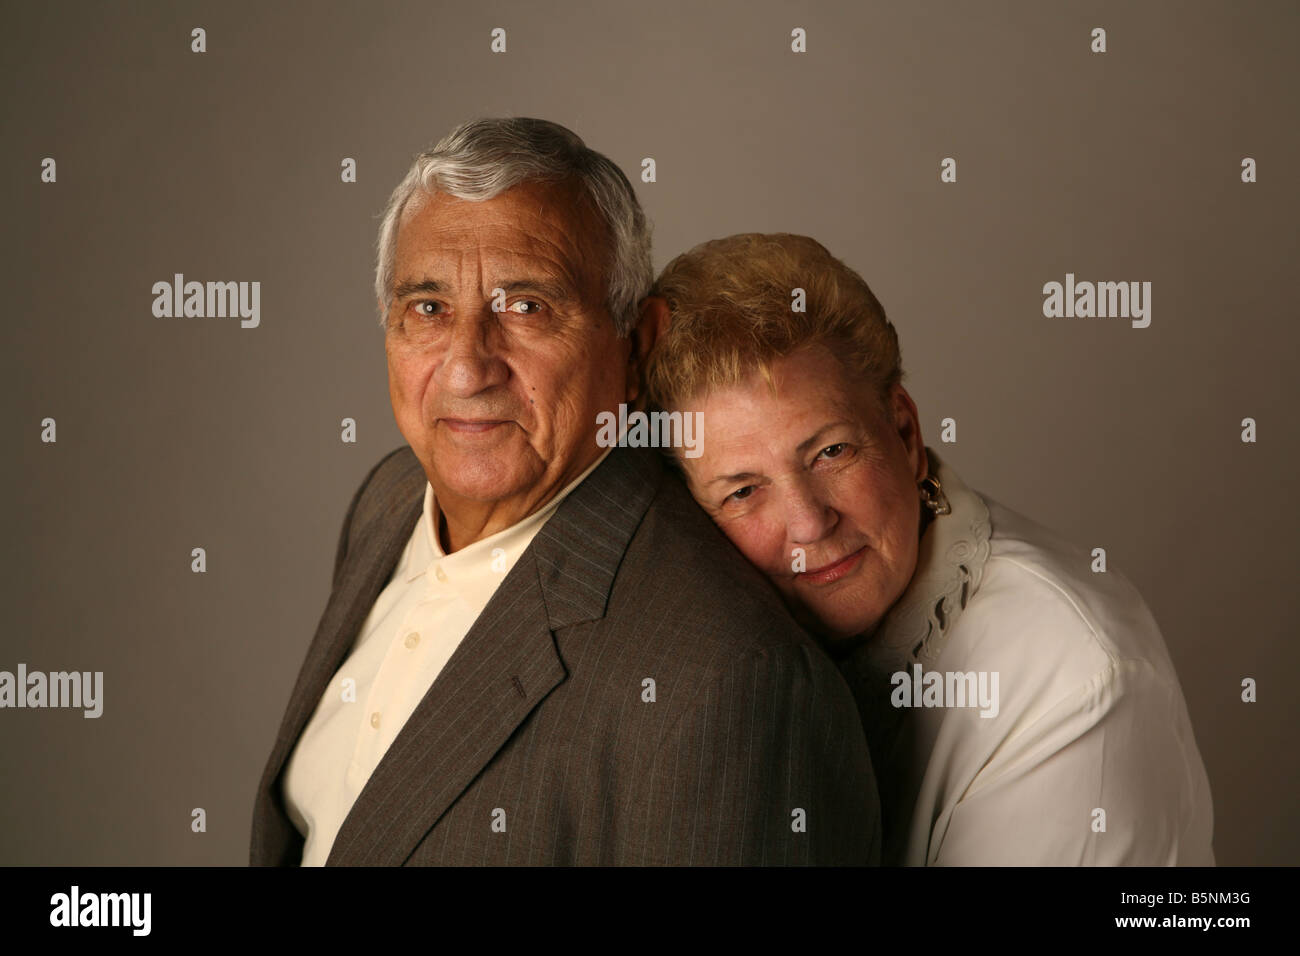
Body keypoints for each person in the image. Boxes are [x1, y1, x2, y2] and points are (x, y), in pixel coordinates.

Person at [249, 121, 880, 866]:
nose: (465, 369)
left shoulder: (727, 683)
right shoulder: (389, 500)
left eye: (526, 308)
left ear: (638, 345)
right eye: (428, 308)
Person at [643, 232, 1216, 865]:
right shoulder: (719, 655)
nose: (809, 524)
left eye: (831, 452)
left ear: (906, 432)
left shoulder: (1074, 675)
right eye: (744, 490)